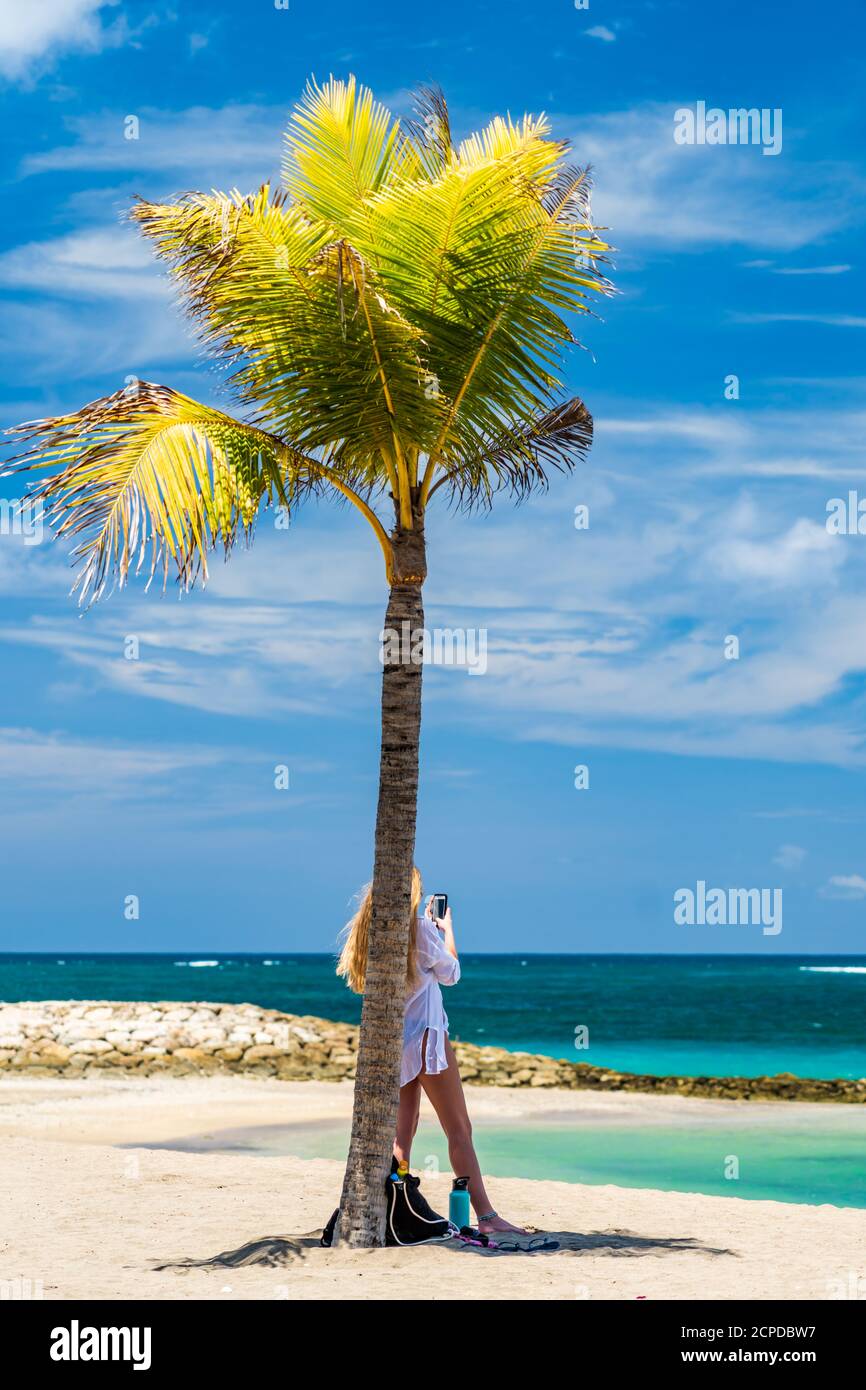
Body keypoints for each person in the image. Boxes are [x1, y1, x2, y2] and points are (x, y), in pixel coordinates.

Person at [337, 867, 524, 1235]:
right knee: (459, 1129)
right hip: (428, 1040)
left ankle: (395, 1207)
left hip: (396, 1044)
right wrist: (447, 931)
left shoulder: (371, 934)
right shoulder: (421, 931)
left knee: (402, 1134)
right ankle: (486, 1217)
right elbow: (451, 973)